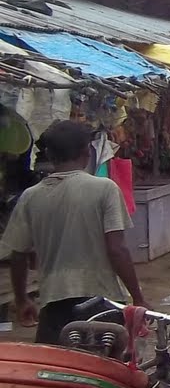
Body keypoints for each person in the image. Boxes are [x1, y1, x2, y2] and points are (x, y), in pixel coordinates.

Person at [2, 120, 145, 344]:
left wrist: (22, 300)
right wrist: (137, 297)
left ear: (49, 155)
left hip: (53, 306)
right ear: (87, 152)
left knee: (55, 365)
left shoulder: (31, 196)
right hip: (100, 301)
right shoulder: (105, 189)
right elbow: (116, 249)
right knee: (105, 364)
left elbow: (18, 254)